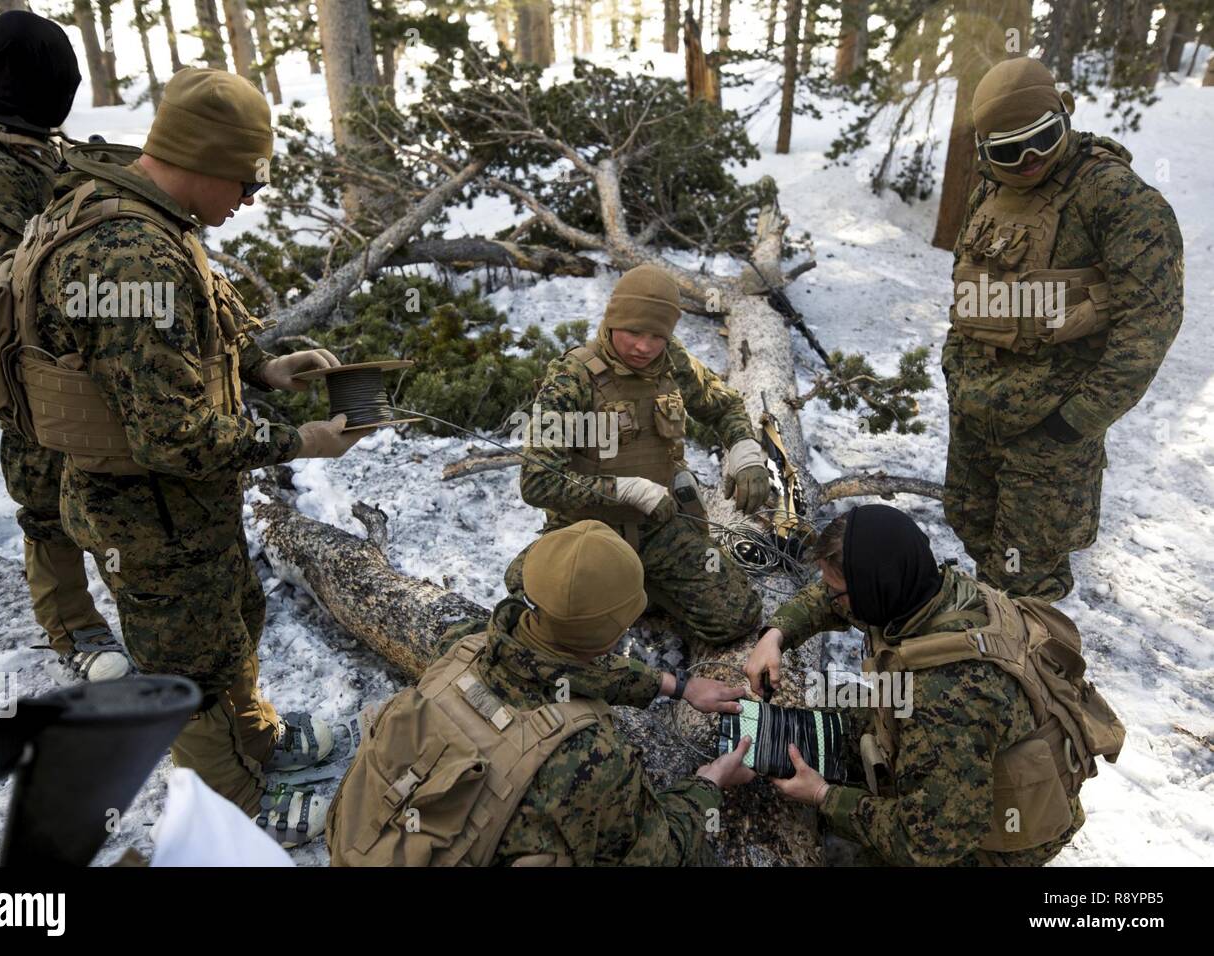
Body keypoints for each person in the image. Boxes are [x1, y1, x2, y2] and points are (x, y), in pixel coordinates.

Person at [0, 68, 369, 844]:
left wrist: (260, 367)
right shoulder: (129, 255)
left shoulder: (142, 213)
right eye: (246, 179)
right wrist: (301, 441)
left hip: (182, 506)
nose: (252, 198)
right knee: (188, 671)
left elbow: (168, 355)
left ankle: (255, 737)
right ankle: (231, 808)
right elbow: (171, 435)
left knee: (230, 625)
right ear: (199, 160)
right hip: (150, 513)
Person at [329, 520, 757, 866]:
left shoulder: (461, 649)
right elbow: (657, 853)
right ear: (614, 635)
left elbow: (551, 666)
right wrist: (708, 785)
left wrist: (674, 685)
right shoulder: (592, 757)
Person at [0, 10, 127, 679]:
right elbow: (14, 280)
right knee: (44, 496)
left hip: (71, 351)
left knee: (95, 484)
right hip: (27, 359)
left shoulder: (28, 146)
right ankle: (73, 629)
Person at [745, 504, 1125, 866]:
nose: (832, 599)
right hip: (980, 762)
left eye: (839, 592)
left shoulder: (945, 699)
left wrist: (824, 797)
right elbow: (832, 599)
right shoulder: (926, 591)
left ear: (873, 589)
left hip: (1000, 840)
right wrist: (776, 634)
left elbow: (927, 842)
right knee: (831, 721)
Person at [942, 56, 1183, 601]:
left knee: (1028, 576)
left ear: (1064, 115)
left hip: (1051, 430)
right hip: (976, 417)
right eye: (1007, 151)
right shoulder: (987, 191)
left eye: (1042, 140)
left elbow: (1149, 326)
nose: (1027, 161)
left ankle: (1033, 679)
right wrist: (955, 377)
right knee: (976, 534)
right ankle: (991, 662)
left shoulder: (1118, 199)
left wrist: (1075, 423)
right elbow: (968, 286)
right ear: (984, 152)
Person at [507, 263, 769, 646]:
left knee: (737, 618)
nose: (644, 347)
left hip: (659, 527)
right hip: (585, 533)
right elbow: (537, 482)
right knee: (534, 602)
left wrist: (745, 452)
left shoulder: (672, 362)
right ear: (612, 320)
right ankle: (625, 587)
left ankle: (641, 589)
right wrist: (625, 491)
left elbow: (724, 405)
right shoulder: (571, 379)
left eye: (657, 335)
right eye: (632, 331)